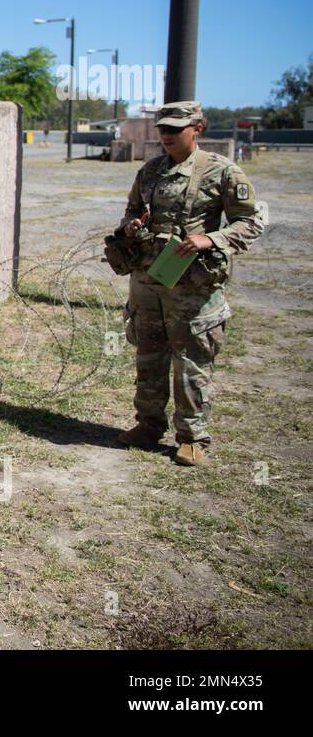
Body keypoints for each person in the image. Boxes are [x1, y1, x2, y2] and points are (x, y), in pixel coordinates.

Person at [116, 101, 262, 466]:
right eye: (162, 129)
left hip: (192, 283)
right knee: (148, 354)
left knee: (192, 360)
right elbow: (132, 208)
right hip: (148, 277)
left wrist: (210, 239)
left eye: (175, 130)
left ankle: (192, 438)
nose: (165, 136)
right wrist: (131, 224)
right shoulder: (150, 171)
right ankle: (148, 426)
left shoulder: (222, 172)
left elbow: (250, 222)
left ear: (197, 128)